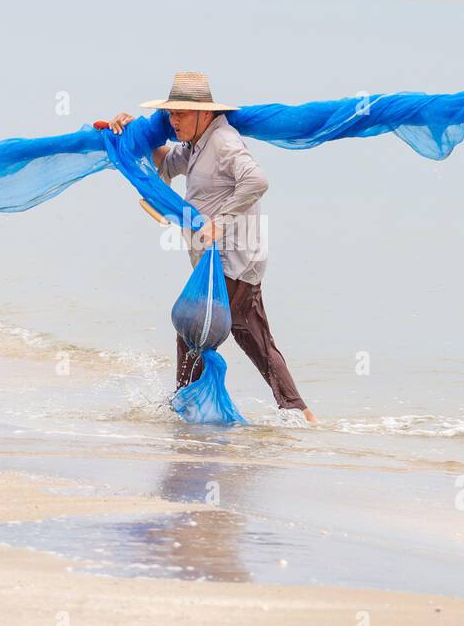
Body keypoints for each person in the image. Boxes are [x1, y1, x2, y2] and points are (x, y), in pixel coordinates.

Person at [109, 71, 317, 423]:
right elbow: (166, 162)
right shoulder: (195, 144)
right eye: (171, 114)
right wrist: (129, 132)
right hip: (228, 261)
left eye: (181, 114)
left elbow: (257, 180)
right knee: (252, 338)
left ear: (205, 113)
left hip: (231, 259)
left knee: (193, 331)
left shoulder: (222, 141)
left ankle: (181, 408)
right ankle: (301, 415)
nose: (173, 121)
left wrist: (220, 221)